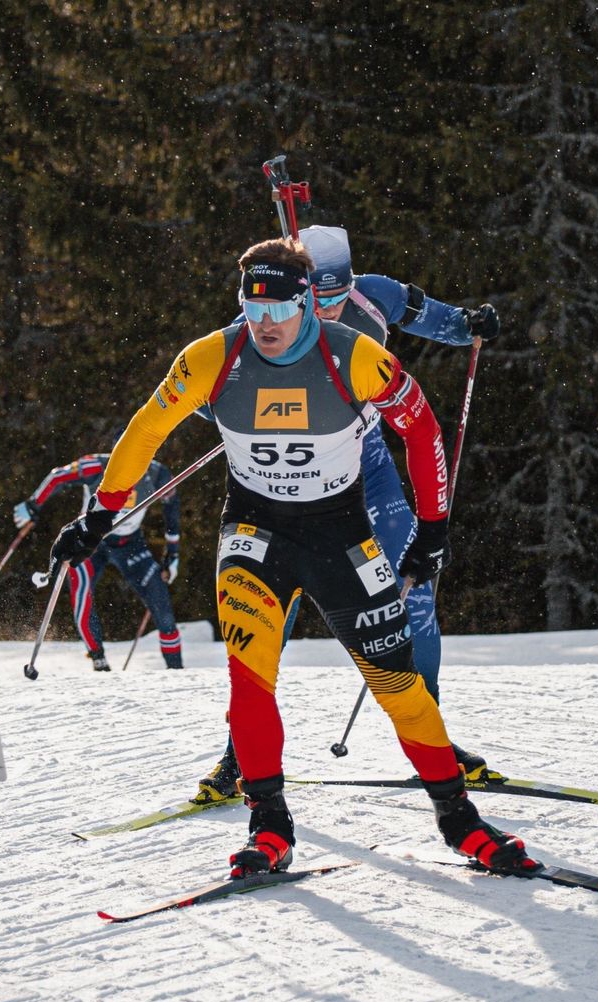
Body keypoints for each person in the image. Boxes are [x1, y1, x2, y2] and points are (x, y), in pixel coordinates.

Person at [50, 238, 536, 879]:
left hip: (341, 538)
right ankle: (269, 825)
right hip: (255, 537)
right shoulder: (210, 360)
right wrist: (101, 514)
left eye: (280, 311)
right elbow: (145, 430)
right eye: (253, 314)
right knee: (250, 683)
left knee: (400, 688)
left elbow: (420, 428)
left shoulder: (354, 357)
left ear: (308, 302)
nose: (267, 327)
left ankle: (460, 821)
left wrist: (432, 528)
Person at [194, 225, 502, 802]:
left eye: (338, 298)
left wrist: (471, 325)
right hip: (293, 480)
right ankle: (240, 754)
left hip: (370, 465)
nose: (328, 312)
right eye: (318, 300)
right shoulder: (267, 318)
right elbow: (215, 385)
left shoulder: (377, 295)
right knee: (266, 609)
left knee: (415, 590)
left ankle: (432, 736)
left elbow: (438, 320)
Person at [13, 454, 183, 670]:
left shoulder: (157, 473)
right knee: (80, 591)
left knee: (160, 600)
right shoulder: (97, 465)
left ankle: (176, 671)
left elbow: (172, 508)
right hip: (92, 541)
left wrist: (173, 554)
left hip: (129, 543)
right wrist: (33, 504)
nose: (130, 470)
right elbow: (58, 477)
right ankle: (99, 661)